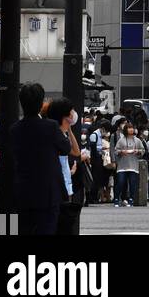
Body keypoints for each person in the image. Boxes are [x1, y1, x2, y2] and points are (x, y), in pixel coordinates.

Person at [10, 82, 71, 236]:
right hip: (48, 193)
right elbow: (66, 148)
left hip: (24, 192)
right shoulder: (50, 126)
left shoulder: (15, 129)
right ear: (40, 103)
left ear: (22, 103)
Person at [45, 98, 88, 236]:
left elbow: (75, 152)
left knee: (65, 221)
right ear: (66, 115)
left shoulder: (62, 133)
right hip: (59, 185)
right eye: (72, 111)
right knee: (62, 224)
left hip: (65, 182)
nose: (74, 114)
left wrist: (69, 129)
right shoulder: (55, 134)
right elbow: (75, 152)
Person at [112, 122, 145, 207]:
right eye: (129, 128)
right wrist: (121, 152)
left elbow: (143, 150)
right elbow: (116, 150)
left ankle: (131, 199)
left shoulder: (137, 140)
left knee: (132, 183)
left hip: (133, 165)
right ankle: (116, 199)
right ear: (125, 129)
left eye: (132, 128)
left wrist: (138, 151)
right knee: (120, 182)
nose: (131, 129)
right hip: (122, 165)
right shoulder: (121, 140)